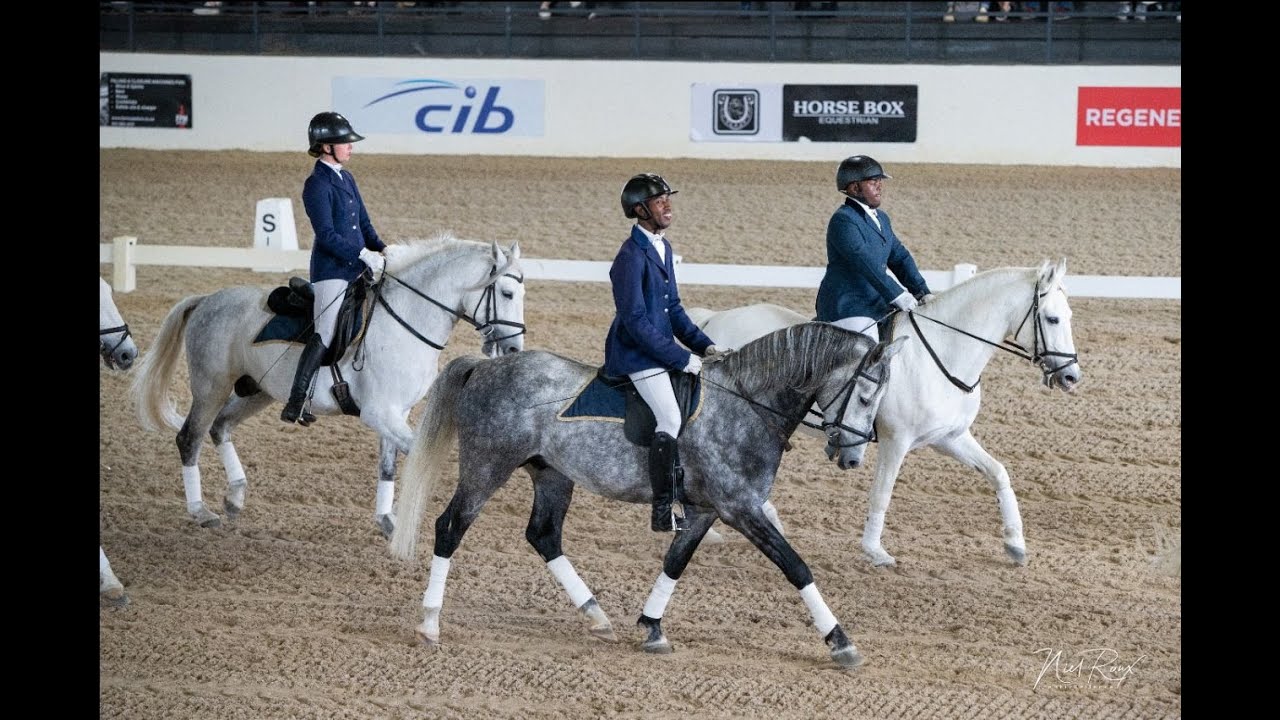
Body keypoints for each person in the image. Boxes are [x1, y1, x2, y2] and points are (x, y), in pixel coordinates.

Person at [604, 173, 729, 532]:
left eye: (668, 199)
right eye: (659, 202)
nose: (668, 206)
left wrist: (705, 346)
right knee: (670, 419)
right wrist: (680, 358)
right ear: (640, 210)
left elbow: (672, 308)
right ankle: (662, 510)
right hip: (636, 354)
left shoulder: (664, 247)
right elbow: (635, 321)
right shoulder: (629, 257)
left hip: (657, 348)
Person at [281, 111, 389, 425]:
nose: (351, 147)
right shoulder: (316, 184)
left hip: (358, 265)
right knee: (325, 331)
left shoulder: (347, 178)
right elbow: (326, 235)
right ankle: (297, 400)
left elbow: (364, 224)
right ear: (326, 146)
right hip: (332, 270)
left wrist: (383, 249)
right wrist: (362, 254)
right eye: (345, 142)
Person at [815, 155, 933, 343]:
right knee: (867, 350)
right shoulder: (844, 220)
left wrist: (923, 292)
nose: (880, 186)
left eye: (880, 181)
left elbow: (900, 257)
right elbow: (865, 263)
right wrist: (898, 295)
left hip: (877, 303)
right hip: (849, 305)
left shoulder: (882, 219)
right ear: (855, 188)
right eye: (873, 182)